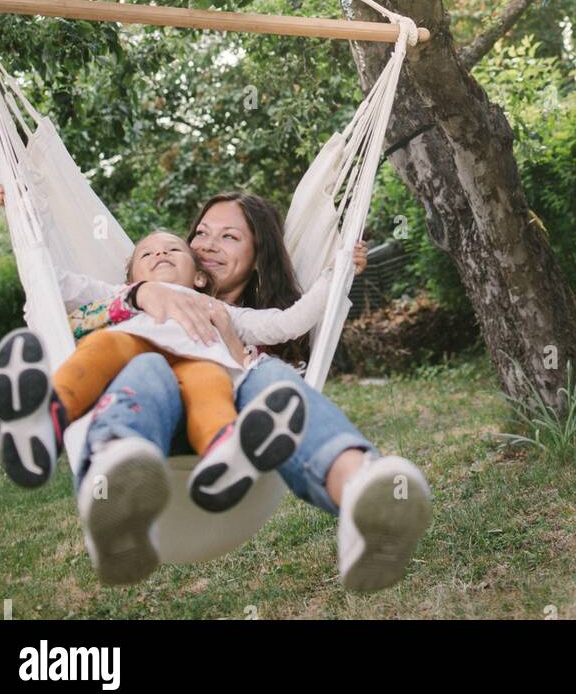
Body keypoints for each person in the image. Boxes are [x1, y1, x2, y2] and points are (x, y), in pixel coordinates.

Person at [77, 193, 433, 592]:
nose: (208, 244)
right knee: (150, 367)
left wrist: (337, 272)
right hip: (154, 414)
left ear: (257, 256)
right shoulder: (136, 296)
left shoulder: (248, 325)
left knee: (271, 378)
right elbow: (65, 304)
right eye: (201, 233)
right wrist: (138, 293)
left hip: (236, 432)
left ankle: (362, 492)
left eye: (229, 237)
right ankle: (114, 486)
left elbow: (289, 325)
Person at [0, 229, 338, 518]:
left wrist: (334, 274)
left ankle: (225, 455)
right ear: (132, 277)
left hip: (198, 367)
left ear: (200, 276)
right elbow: (51, 283)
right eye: (147, 254)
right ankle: (46, 416)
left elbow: (285, 324)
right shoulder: (122, 296)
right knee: (102, 347)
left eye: (173, 249)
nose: (160, 255)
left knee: (210, 387)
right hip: (134, 353)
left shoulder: (222, 310)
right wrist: (24, 217)